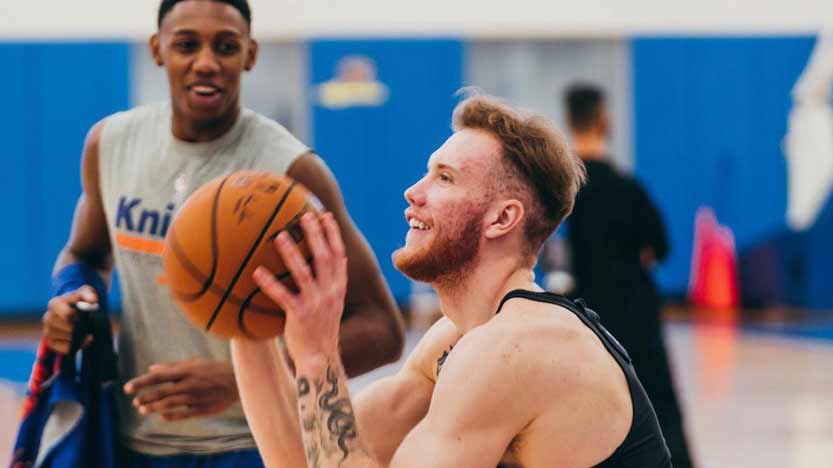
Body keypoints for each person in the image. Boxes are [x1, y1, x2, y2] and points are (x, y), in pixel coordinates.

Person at [39, 0, 405, 466]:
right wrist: (75, 300)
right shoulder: (110, 144)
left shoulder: (292, 171)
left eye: (226, 46)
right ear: (158, 50)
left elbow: (381, 329)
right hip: (134, 439)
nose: (206, 62)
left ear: (250, 55)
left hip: (253, 442)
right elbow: (85, 255)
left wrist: (237, 382)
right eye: (187, 45)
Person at [231, 94, 673, 467]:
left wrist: (315, 356)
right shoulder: (457, 338)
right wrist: (241, 315)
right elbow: (307, 457)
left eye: (444, 177)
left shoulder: (517, 347)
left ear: (502, 218)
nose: (413, 191)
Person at [563, 84, 694, 468]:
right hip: (636, 316)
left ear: (569, 121)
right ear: (604, 120)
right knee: (661, 407)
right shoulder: (628, 190)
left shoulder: (561, 196)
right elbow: (660, 247)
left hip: (586, 318)